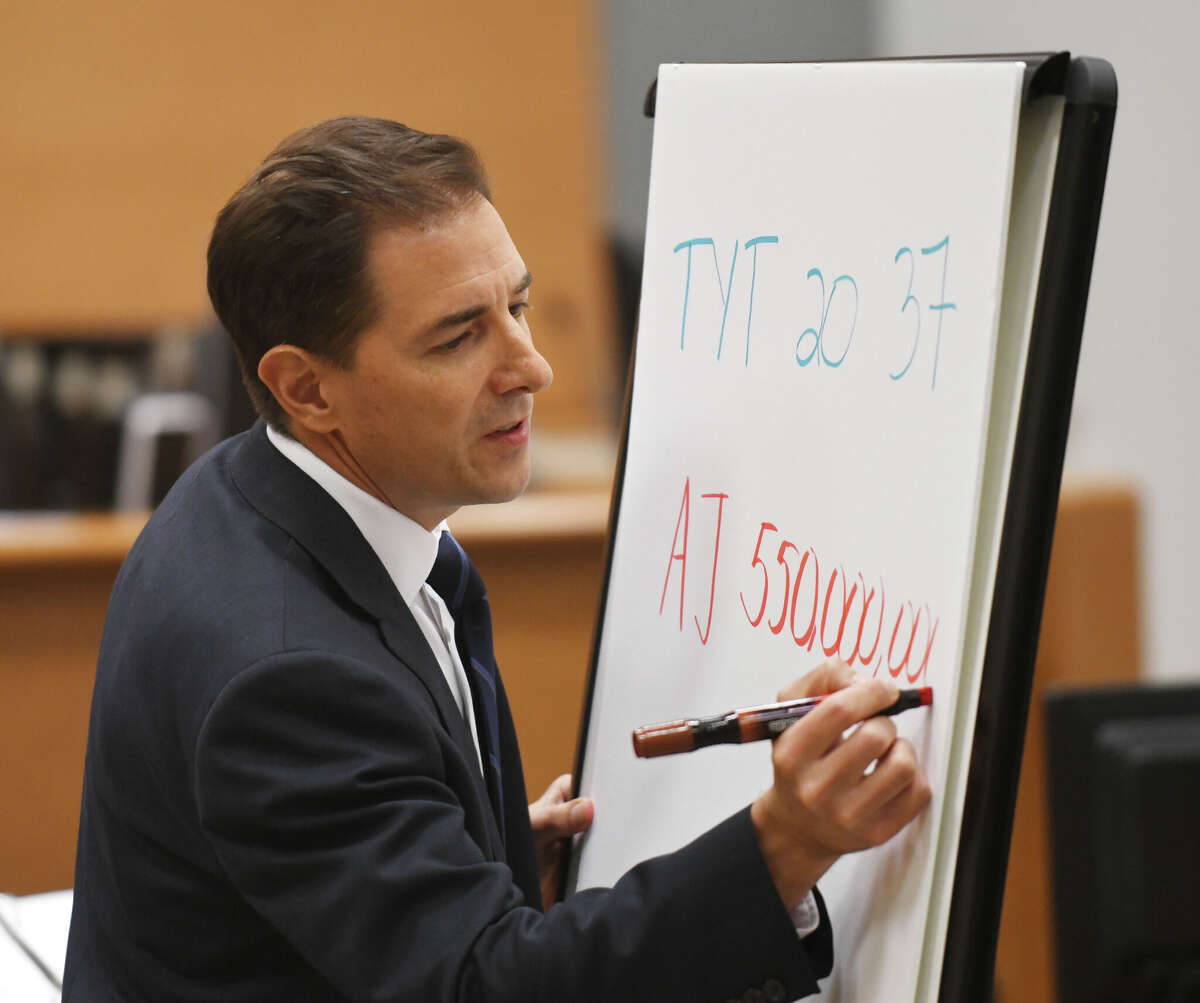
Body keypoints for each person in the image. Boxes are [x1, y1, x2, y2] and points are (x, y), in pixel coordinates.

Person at [63, 116, 931, 1002]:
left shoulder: (251, 490)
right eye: (458, 337)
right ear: (307, 388)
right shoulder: (288, 676)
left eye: (515, 306)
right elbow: (490, 988)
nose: (533, 366)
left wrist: (465, 862)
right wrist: (782, 846)